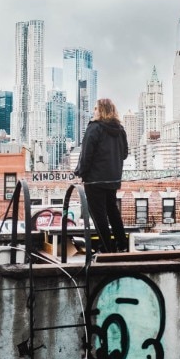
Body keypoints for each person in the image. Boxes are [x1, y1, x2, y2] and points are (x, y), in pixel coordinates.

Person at [74, 98, 129, 253]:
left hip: (95, 180)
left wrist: (81, 172)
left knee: (98, 215)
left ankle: (106, 249)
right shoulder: (120, 130)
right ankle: (122, 245)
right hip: (113, 179)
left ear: (101, 110)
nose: (94, 111)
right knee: (112, 211)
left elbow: (86, 154)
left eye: (96, 108)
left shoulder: (94, 128)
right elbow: (125, 154)